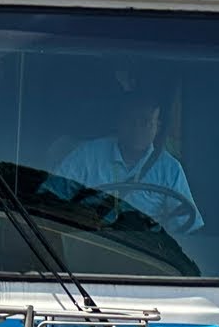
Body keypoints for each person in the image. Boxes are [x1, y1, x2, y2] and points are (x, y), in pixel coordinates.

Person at [42, 90, 203, 234]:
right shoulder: (87, 156)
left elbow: (185, 231)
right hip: (89, 243)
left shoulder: (170, 169)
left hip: (149, 255)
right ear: (118, 121)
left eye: (145, 121)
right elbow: (50, 199)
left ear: (157, 127)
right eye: (130, 120)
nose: (137, 128)